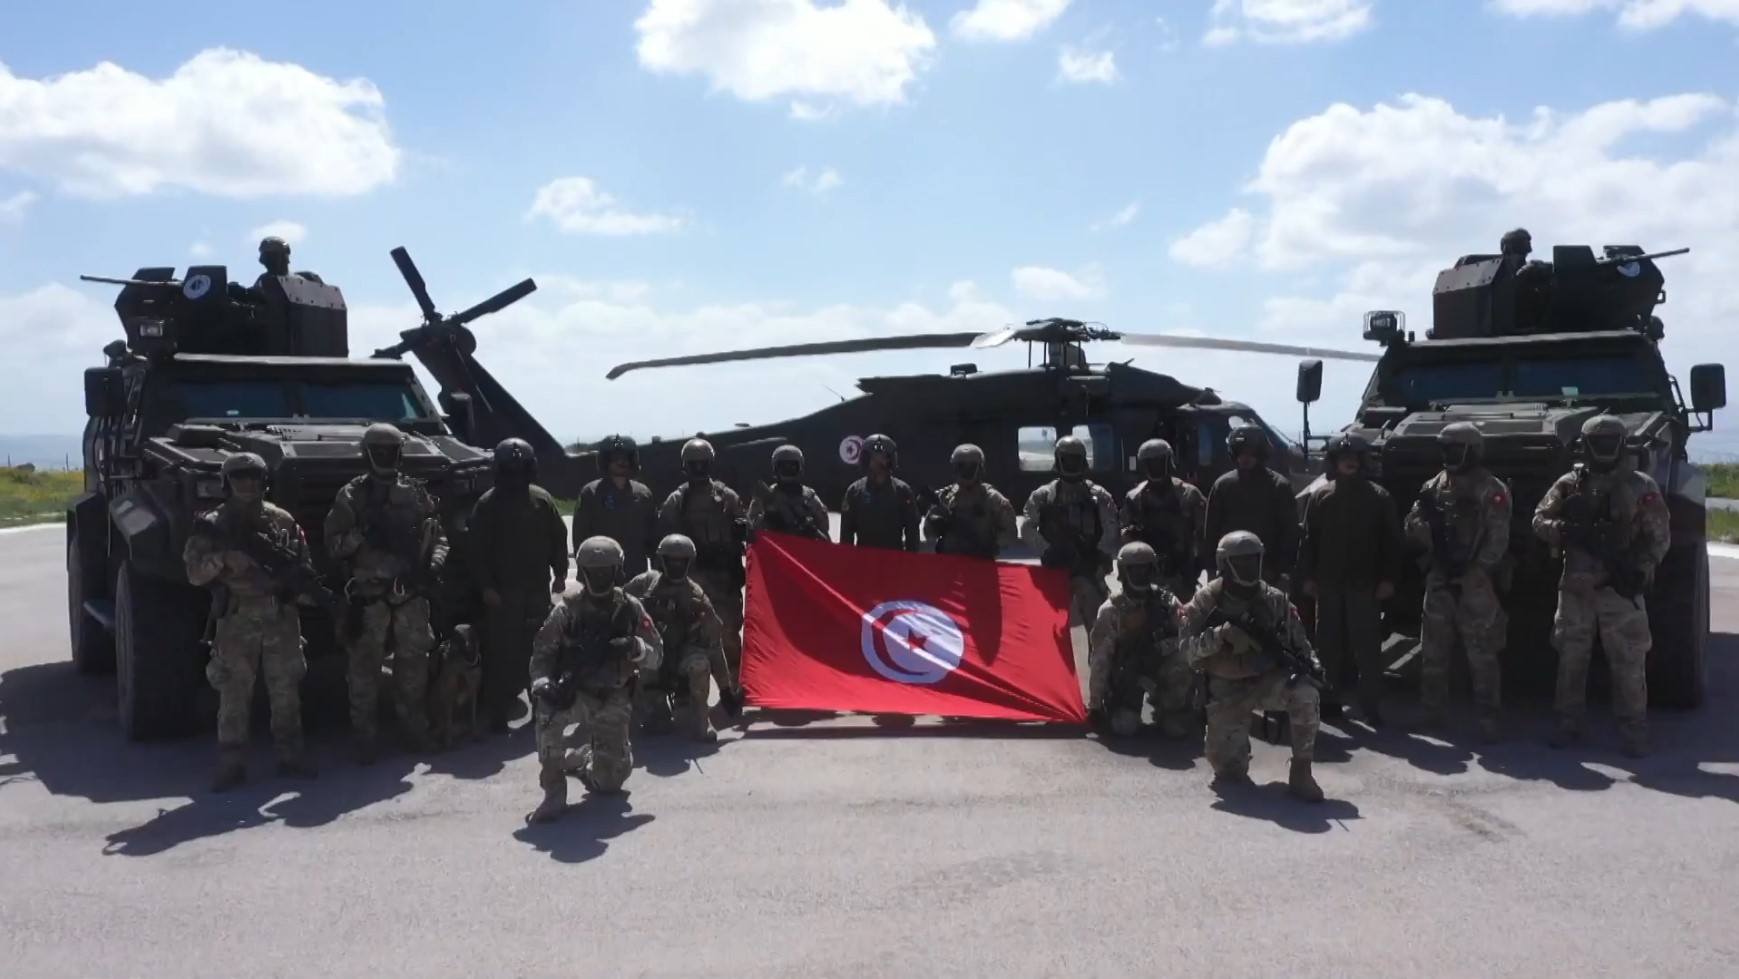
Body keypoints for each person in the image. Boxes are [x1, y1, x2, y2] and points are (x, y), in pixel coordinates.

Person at [1531, 415, 1670, 755]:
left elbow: (1659, 537)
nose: (1604, 449)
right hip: (1576, 587)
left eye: (1611, 441)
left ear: (1622, 444)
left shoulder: (1641, 487)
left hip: (1619, 588)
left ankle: (1634, 733)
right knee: (1571, 658)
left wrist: (1642, 567)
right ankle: (1569, 726)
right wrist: (1564, 530)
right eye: (1599, 442)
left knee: (1629, 662)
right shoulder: (1569, 484)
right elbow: (1539, 520)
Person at [182, 452, 318, 790]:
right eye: (240, 476)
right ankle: (231, 764)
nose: (247, 483)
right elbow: (194, 573)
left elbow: (303, 565)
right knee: (233, 693)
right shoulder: (213, 523)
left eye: (253, 476)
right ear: (227, 482)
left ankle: (291, 756)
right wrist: (224, 561)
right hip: (237, 617)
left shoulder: (281, 520)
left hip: (279, 616)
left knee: (286, 689)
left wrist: (304, 588)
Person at [324, 422, 450, 762]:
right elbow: (333, 546)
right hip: (370, 594)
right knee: (364, 670)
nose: (384, 457)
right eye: (378, 451)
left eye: (390, 451)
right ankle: (365, 739)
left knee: (413, 668)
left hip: (410, 593)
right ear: (366, 454)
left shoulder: (415, 493)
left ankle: (414, 731)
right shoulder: (351, 496)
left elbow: (438, 536)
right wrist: (359, 536)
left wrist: (434, 564)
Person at [1178, 531, 1324, 801]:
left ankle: (1302, 771)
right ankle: (1239, 733)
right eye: (1240, 561)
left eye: (1253, 560)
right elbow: (1187, 652)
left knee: (1306, 693)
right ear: (1225, 564)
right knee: (1229, 772)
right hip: (1227, 688)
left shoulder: (1276, 600)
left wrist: (1312, 666)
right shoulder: (1205, 601)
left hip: (1268, 680)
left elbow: (1301, 644)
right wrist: (1221, 635)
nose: (1248, 567)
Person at [526, 537, 662, 824]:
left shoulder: (631, 608)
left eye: (606, 570)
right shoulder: (567, 609)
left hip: (613, 695)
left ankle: (584, 761)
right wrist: (542, 685)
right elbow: (542, 653)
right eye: (594, 571)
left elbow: (657, 656)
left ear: (618, 571)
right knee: (547, 714)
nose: (600, 576)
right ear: (583, 572)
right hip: (573, 692)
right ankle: (553, 794)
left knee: (612, 783)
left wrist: (635, 648)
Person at [1402, 422, 1511, 740]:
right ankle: (1432, 714)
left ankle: (1489, 719)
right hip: (1439, 580)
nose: (1449, 455)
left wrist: (1477, 570)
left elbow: (1498, 538)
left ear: (1473, 450)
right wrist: (1424, 532)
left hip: (1474, 582)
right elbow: (1412, 523)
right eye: (1445, 448)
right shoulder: (1433, 487)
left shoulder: (1492, 489)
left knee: (1482, 654)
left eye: (1455, 448)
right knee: (1433, 652)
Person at [1297, 432, 1403, 724]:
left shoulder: (1378, 498)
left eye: (1354, 458)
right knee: (1327, 645)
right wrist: (1307, 576)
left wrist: (1388, 580)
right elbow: (1308, 540)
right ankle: (1329, 701)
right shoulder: (1321, 497)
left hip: (1364, 583)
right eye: (1343, 458)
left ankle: (1370, 705)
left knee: (1366, 646)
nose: (1349, 463)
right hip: (1328, 583)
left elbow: (1393, 544)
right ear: (1334, 462)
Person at [467, 438, 570, 734]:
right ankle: (498, 715)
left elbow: (557, 536)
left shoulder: (541, 500)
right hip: (503, 592)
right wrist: (486, 587)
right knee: (501, 652)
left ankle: (540, 710)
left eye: (520, 468)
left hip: (537, 588)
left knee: (539, 650)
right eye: (510, 469)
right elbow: (477, 550)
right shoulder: (488, 504)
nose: (515, 475)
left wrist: (561, 571)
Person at [625, 534, 740, 742]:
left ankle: (701, 718)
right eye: (672, 560)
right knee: (657, 726)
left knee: (699, 663)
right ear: (662, 560)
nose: (676, 565)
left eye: (681, 561)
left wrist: (725, 690)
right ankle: (644, 708)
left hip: (683, 654)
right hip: (652, 657)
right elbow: (618, 606)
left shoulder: (697, 597)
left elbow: (714, 643)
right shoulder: (644, 584)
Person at [658, 438, 749, 680]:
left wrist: (743, 528)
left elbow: (748, 530)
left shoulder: (727, 497)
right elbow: (664, 545)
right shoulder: (676, 501)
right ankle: (688, 688)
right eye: (693, 464)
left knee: (729, 632)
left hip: (724, 580)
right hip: (692, 581)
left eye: (703, 464)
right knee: (688, 636)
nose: (698, 469)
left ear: (710, 464)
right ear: (685, 466)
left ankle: (733, 683)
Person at [1087, 542, 1195, 738]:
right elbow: (1100, 660)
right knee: (1124, 727)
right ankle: (1123, 706)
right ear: (1122, 572)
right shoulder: (1111, 610)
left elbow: (1187, 639)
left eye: (1145, 568)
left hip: (1159, 666)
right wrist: (1094, 706)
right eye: (1135, 569)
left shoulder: (1167, 601)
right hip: (1127, 676)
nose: (1141, 574)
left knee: (1185, 660)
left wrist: (1161, 648)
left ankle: (1170, 708)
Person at [1020, 435, 1120, 628]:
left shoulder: (1098, 496)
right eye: (1067, 459)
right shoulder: (1043, 496)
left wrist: (1099, 558)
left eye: (1076, 459)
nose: (1072, 464)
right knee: (1050, 626)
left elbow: (1110, 530)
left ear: (1083, 461)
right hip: (1055, 571)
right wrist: (1046, 549)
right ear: (1058, 461)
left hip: (1089, 571)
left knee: (1100, 625)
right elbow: (1027, 527)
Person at [1202, 425, 1297, 590]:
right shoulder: (1223, 486)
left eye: (1250, 452)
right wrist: (1211, 568)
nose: (1244, 457)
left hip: (1269, 572)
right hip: (1230, 572)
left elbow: (1290, 533)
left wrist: (1284, 571)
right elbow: (1211, 530)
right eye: (1240, 452)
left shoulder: (1279, 486)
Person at [1119, 438, 1207, 599]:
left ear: (1169, 462)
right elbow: (1125, 539)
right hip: (1147, 572)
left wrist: (1196, 567)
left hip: (1182, 572)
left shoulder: (1188, 494)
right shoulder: (1134, 498)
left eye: (1159, 462)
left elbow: (1203, 533)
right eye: (1151, 463)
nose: (1155, 467)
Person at [572, 434, 660, 579]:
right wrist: (584, 571)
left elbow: (654, 536)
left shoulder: (643, 494)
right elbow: (580, 537)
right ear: (605, 461)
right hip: (600, 573)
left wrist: (658, 570)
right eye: (615, 458)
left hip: (636, 572)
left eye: (625, 458)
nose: (621, 462)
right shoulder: (591, 493)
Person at [923, 443, 1017, 559]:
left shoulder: (991, 498)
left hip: (981, 561)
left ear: (980, 469)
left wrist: (993, 545)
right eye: (961, 467)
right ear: (954, 469)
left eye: (971, 468)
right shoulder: (944, 497)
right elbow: (928, 532)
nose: (965, 472)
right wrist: (936, 526)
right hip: (949, 561)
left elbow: (1010, 533)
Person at [839, 433, 920, 550]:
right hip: (864, 558)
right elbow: (846, 532)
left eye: (882, 457)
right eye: (873, 457)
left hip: (893, 559)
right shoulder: (855, 491)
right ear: (866, 459)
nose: (877, 462)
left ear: (890, 459)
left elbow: (912, 531)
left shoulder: (902, 491)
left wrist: (910, 561)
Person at [747, 444, 831, 541]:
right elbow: (750, 529)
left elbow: (824, 529)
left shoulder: (809, 497)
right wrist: (767, 520)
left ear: (800, 468)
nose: (788, 469)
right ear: (775, 469)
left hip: (803, 549)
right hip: (775, 549)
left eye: (792, 466)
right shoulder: (766, 497)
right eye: (783, 467)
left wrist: (810, 529)